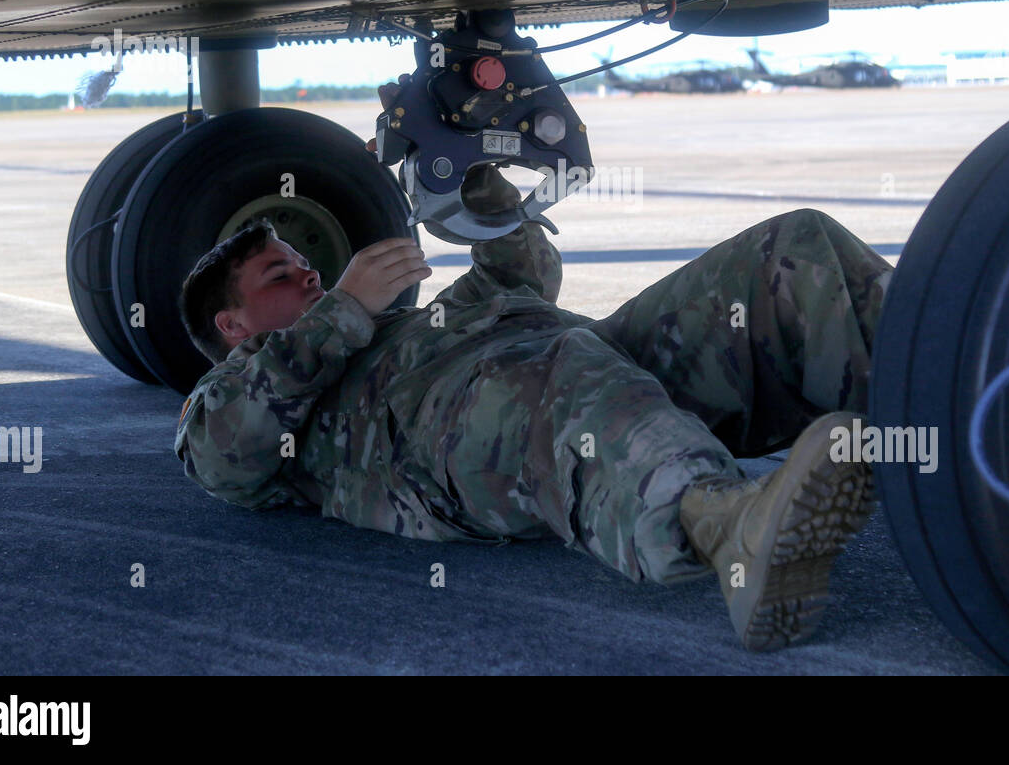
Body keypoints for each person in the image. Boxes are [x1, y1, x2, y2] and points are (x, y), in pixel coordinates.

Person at [175, 87, 893, 652]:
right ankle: (731, 526)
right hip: (472, 443)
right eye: (281, 275)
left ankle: (954, 400)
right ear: (232, 327)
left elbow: (523, 276)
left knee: (793, 249)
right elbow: (225, 454)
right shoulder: (227, 396)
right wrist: (342, 312)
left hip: (596, 377)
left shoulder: (391, 326)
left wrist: (463, 176)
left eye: (307, 267)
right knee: (560, 366)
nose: (309, 280)